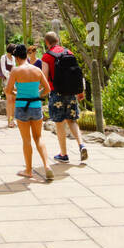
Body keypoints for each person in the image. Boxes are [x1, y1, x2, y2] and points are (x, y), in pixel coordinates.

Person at [3, 43, 54, 182]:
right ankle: (47, 166)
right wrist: (37, 94)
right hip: (36, 105)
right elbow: (47, 89)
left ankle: (29, 170)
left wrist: (17, 92)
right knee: (38, 138)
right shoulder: (37, 70)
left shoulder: (15, 71)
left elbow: (8, 91)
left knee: (26, 140)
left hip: (21, 106)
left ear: (17, 57)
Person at [41, 30, 87, 164]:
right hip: (71, 92)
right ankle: (81, 145)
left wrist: (41, 92)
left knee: (59, 123)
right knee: (72, 120)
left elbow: (44, 76)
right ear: (58, 40)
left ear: (47, 42)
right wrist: (80, 91)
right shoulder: (69, 52)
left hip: (57, 93)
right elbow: (77, 73)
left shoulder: (47, 56)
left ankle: (64, 154)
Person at [0, 43, 18, 129]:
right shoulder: (3, 57)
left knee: (14, 100)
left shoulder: (13, 58)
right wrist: (11, 75)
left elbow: (15, 68)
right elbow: (3, 70)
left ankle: (13, 119)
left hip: (14, 81)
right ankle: (9, 120)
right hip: (7, 81)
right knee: (9, 100)